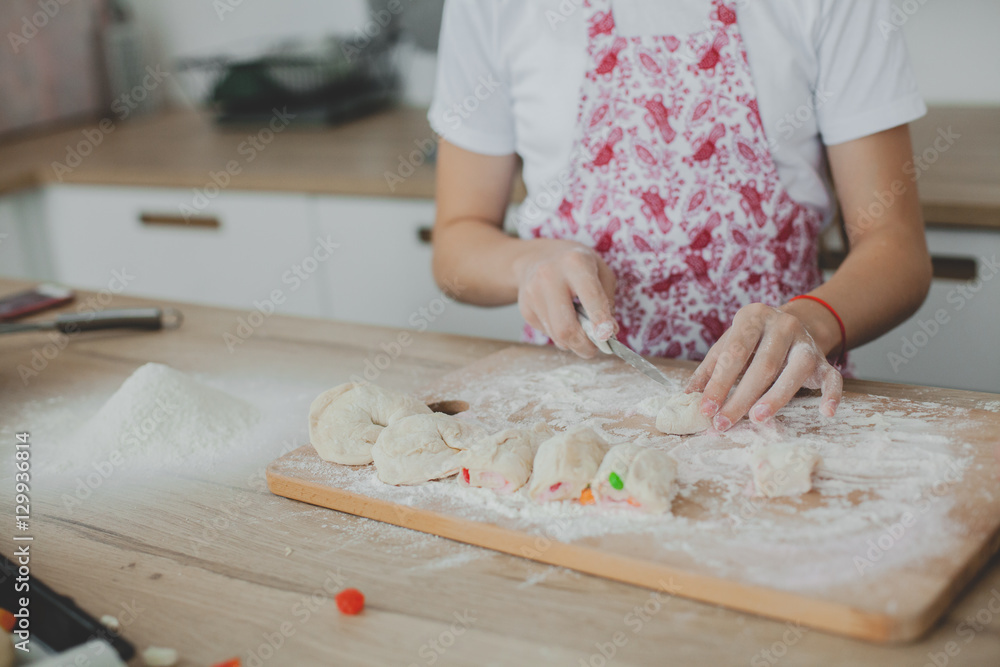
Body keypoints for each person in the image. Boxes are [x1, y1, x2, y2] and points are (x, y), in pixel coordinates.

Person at [428, 0, 932, 431]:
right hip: (570, 416)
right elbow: (456, 244)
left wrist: (809, 323)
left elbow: (896, 248)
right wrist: (526, 263)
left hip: (779, 411)